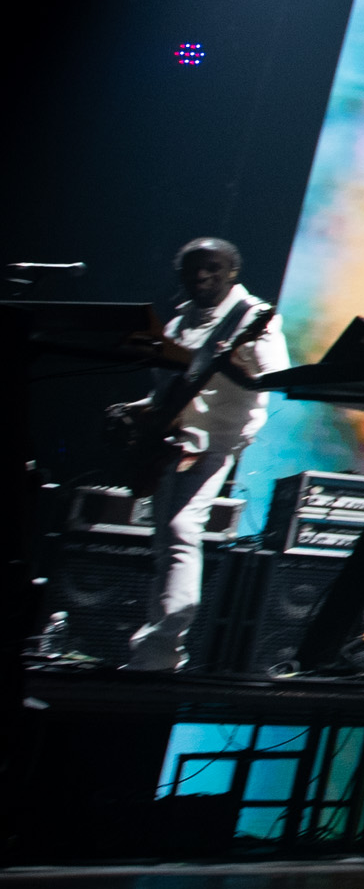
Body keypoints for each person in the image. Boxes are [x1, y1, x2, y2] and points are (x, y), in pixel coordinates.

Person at [106, 238, 287, 671]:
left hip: (216, 439)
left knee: (181, 526)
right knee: (165, 538)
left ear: (232, 272)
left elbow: (275, 380)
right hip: (172, 438)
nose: (200, 278)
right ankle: (153, 651)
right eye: (191, 271)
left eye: (211, 268)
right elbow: (170, 388)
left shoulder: (253, 317)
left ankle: (168, 642)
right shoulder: (180, 321)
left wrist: (233, 368)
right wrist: (134, 411)